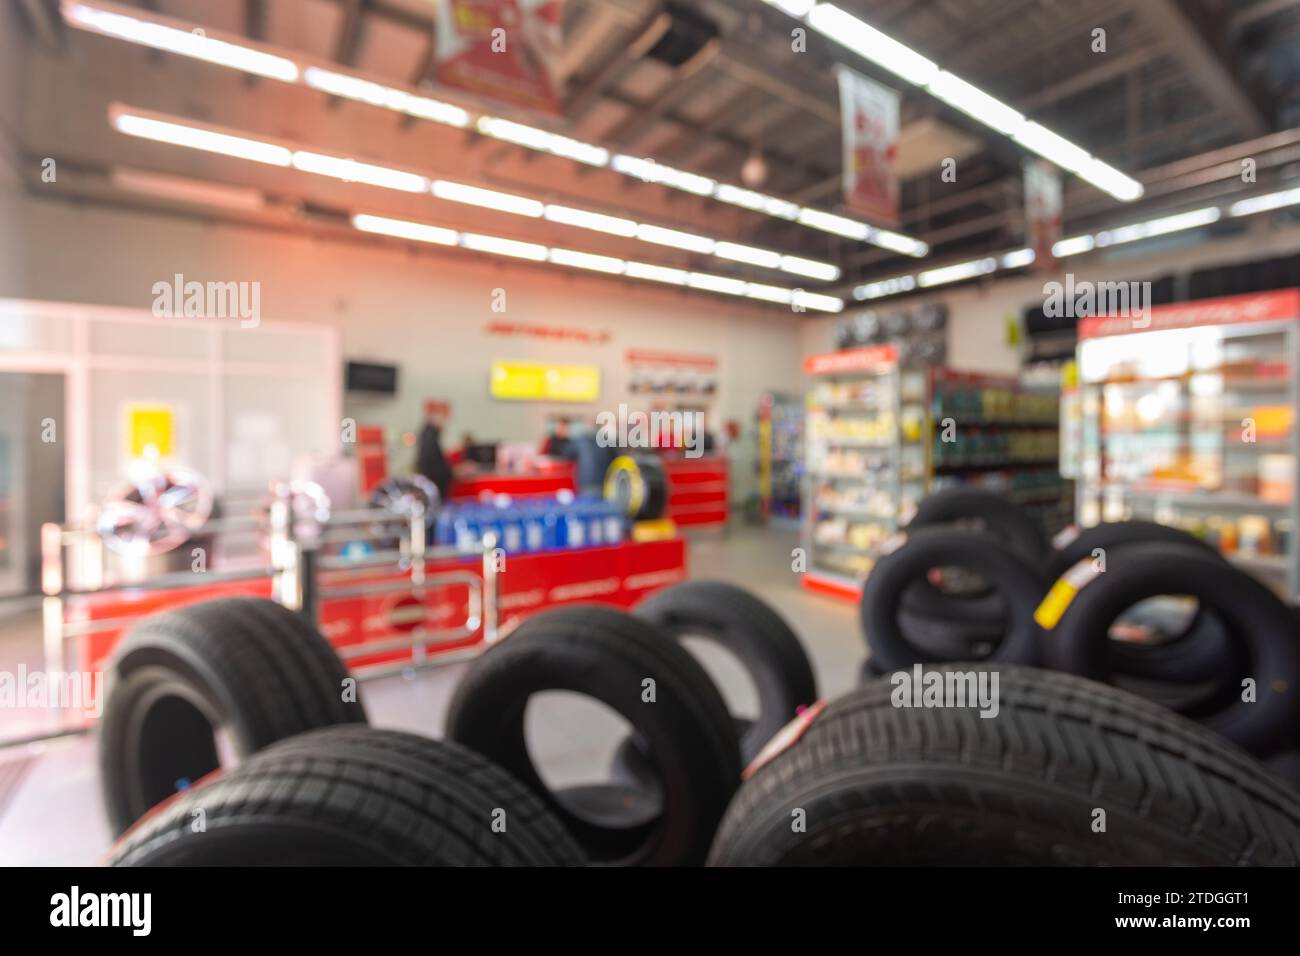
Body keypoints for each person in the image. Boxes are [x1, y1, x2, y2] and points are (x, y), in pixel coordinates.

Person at [415, 406, 453, 501]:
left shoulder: (428, 436)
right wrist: (450, 472)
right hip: (434, 483)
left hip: (430, 480)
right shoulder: (430, 437)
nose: (444, 424)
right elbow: (433, 464)